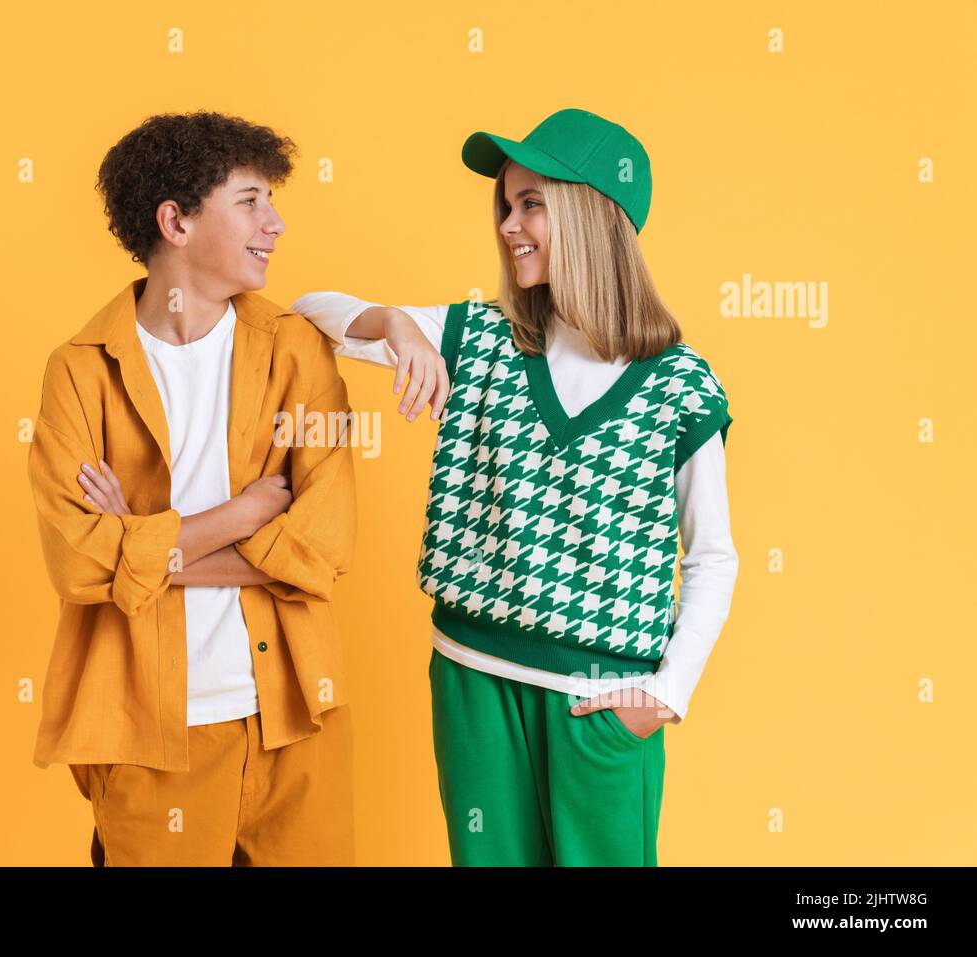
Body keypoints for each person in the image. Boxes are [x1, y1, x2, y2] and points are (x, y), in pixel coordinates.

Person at [293, 108, 737, 866]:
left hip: (599, 702)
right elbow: (311, 312)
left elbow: (713, 556)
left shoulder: (680, 387)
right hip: (473, 682)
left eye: (532, 203)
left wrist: (666, 692)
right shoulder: (484, 336)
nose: (508, 224)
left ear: (592, 216)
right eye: (506, 204)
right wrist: (398, 324)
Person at [27, 111, 357, 866]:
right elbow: (78, 566)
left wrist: (142, 545)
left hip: (295, 721)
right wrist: (242, 516)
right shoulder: (79, 371)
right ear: (174, 221)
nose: (275, 223)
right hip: (143, 735)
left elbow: (326, 547)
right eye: (250, 201)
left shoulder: (297, 352)